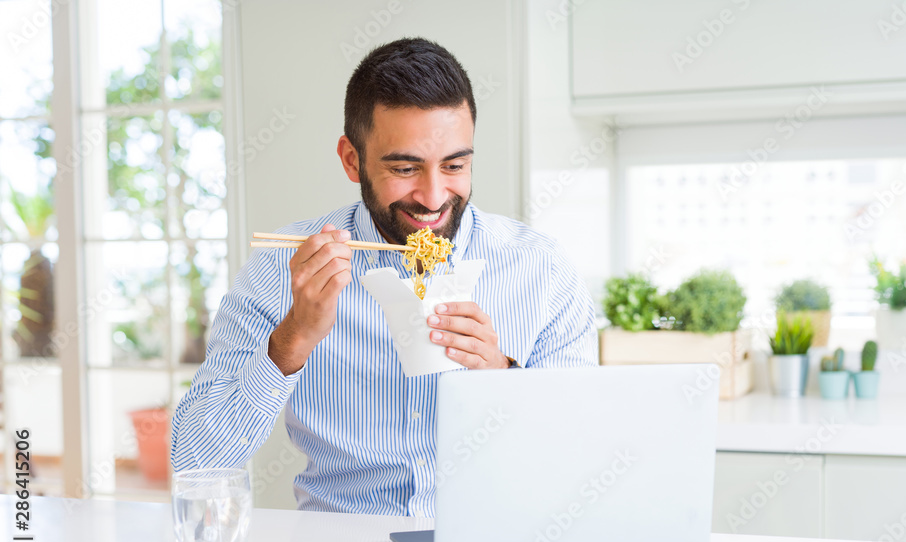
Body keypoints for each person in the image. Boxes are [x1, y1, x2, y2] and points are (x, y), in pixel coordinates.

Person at [171, 38, 597, 515]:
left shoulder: (541, 268)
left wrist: (502, 376)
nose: (433, 197)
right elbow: (195, 460)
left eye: (455, 165)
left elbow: (580, 451)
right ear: (352, 160)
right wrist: (293, 339)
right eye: (405, 168)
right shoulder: (283, 266)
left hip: (492, 541)